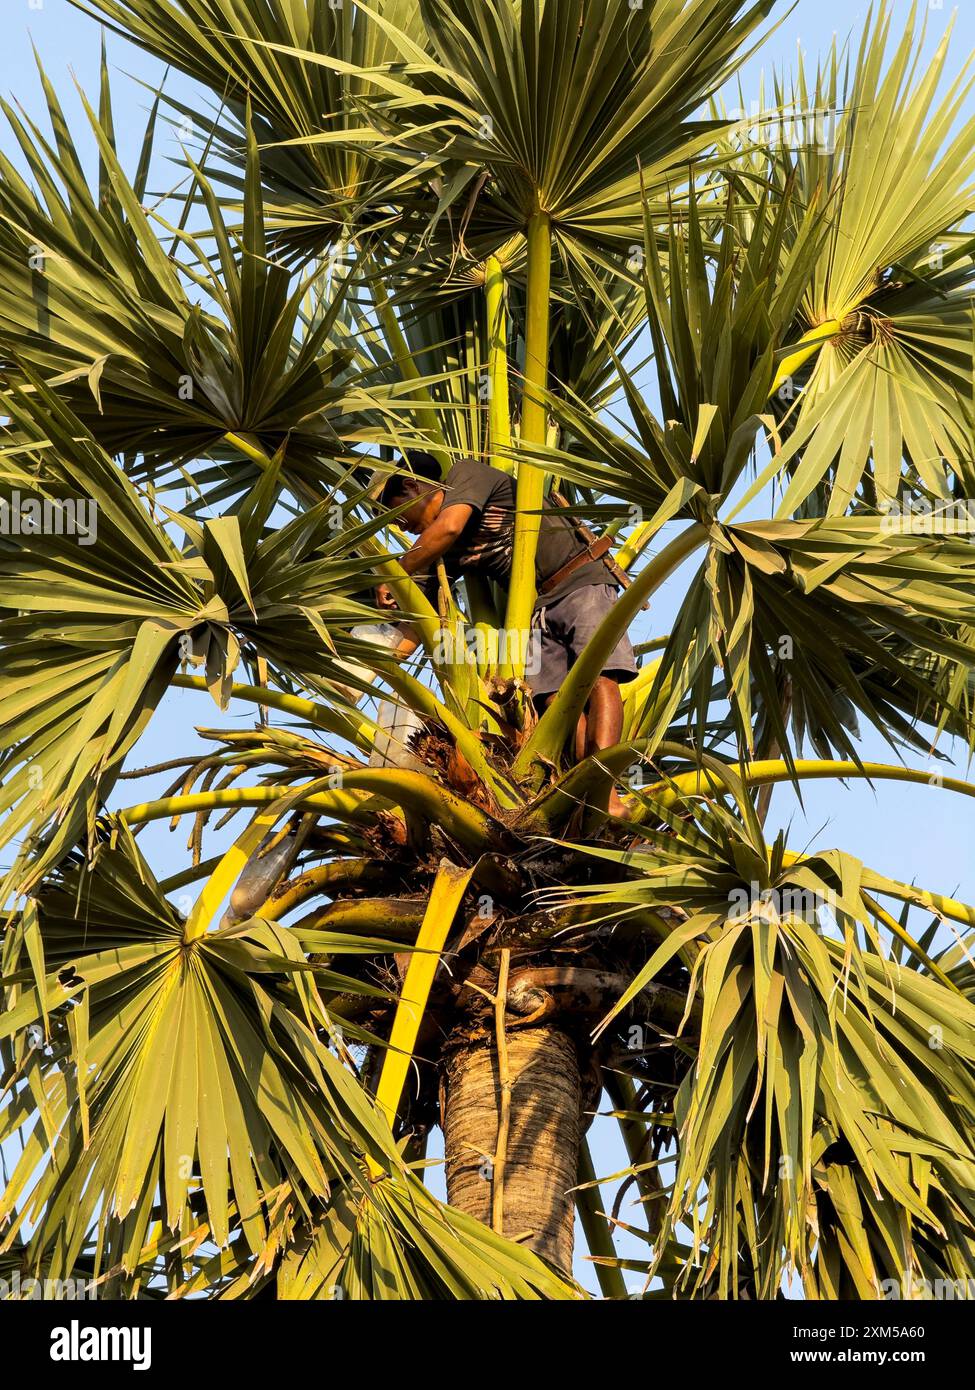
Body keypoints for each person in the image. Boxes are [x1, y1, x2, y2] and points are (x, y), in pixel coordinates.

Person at [375, 452, 636, 812]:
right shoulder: (446, 554)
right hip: (541, 607)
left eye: (394, 512)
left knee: (600, 680)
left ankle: (605, 792)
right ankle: (585, 796)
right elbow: (421, 621)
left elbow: (449, 525)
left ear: (410, 485)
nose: (399, 527)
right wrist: (380, 664)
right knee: (551, 700)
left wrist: (397, 572)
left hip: (580, 580)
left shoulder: (465, 475)